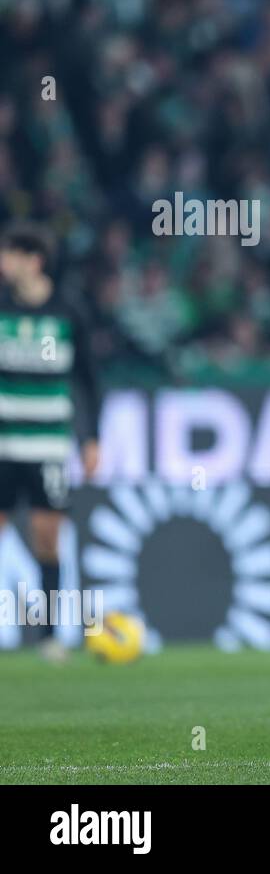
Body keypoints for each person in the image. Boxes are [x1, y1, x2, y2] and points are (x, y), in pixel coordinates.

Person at [0, 224, 101, 663]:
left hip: (48, 445)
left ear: (34, 260)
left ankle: (48, 636)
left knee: (47, 539)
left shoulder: (68, 313)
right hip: (3, 443)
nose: (3, 263)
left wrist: (91, 438)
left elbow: (88, 381)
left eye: (10, 255)